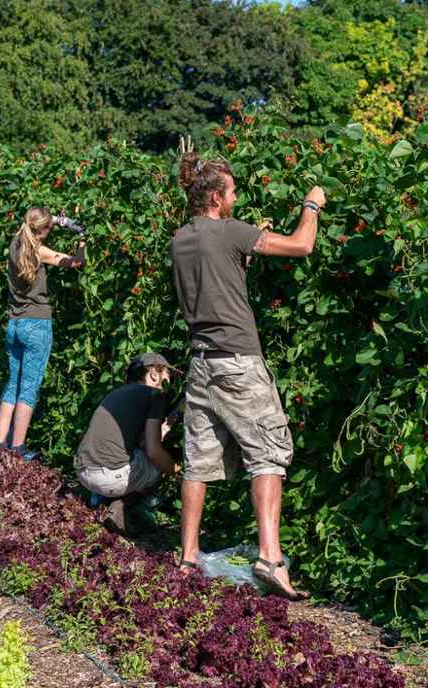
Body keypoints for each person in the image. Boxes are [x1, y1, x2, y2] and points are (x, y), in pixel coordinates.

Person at [170, 151, 326, 600]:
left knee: (198, 462)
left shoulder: (180, 239)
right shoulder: (229, 231)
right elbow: (301, 245)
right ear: (217, 197)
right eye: (234, 192)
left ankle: (187, 557)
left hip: (200, 363)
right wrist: (310, 206)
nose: (237, 198)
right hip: (239, 360)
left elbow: (213, 275)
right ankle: (270, 558)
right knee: (269, 453)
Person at [0, 208, 86, 460]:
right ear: (43, 230)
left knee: (13, 384)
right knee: (29, 388)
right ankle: (17, 449)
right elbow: (76, 262)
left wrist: (56, 220)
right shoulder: (40, 252)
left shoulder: (15, 245)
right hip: (36, 325)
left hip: (15, 324)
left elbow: (36, 223)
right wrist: (82, 237)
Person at [75, 353, 177, 534]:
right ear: (155, 374)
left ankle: (100, 501)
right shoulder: (155, 395)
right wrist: (178, 472)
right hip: (108, 478)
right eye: (168, 374)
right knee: (163, 460)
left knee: (129, 454)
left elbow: (137, 441)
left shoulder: (118, 393)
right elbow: (153, 451)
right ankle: (122, 510)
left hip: (82, 471)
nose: (170, 380)